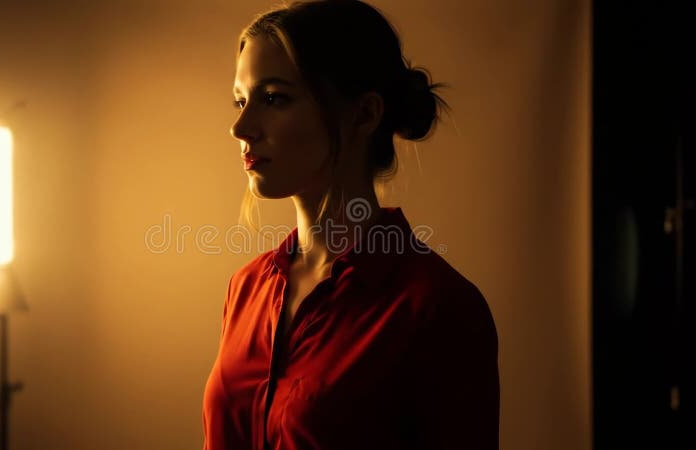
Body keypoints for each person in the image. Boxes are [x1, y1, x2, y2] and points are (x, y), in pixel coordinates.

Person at [202, 1, 499, 449]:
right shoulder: (246, 289)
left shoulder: (435, 308)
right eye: (241, 101)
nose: (240, 127)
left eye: (273, 98)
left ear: (364, 114)